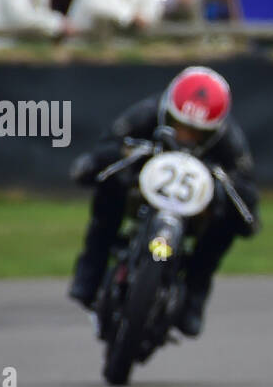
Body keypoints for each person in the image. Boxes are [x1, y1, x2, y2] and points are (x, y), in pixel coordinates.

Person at [67, 66, 259, 337]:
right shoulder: (145, 113)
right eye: (180, 126)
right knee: (109, 192)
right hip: (143, 186)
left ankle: (195, 294)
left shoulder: (230, 140)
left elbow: (247, 191)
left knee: (225, 222)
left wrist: (232, 196)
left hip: (194, 204)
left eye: (196, 133)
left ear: (213, 130)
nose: (185, 136)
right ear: (168, 111)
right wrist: (109, 160)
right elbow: (106, 146)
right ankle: (90, 271)